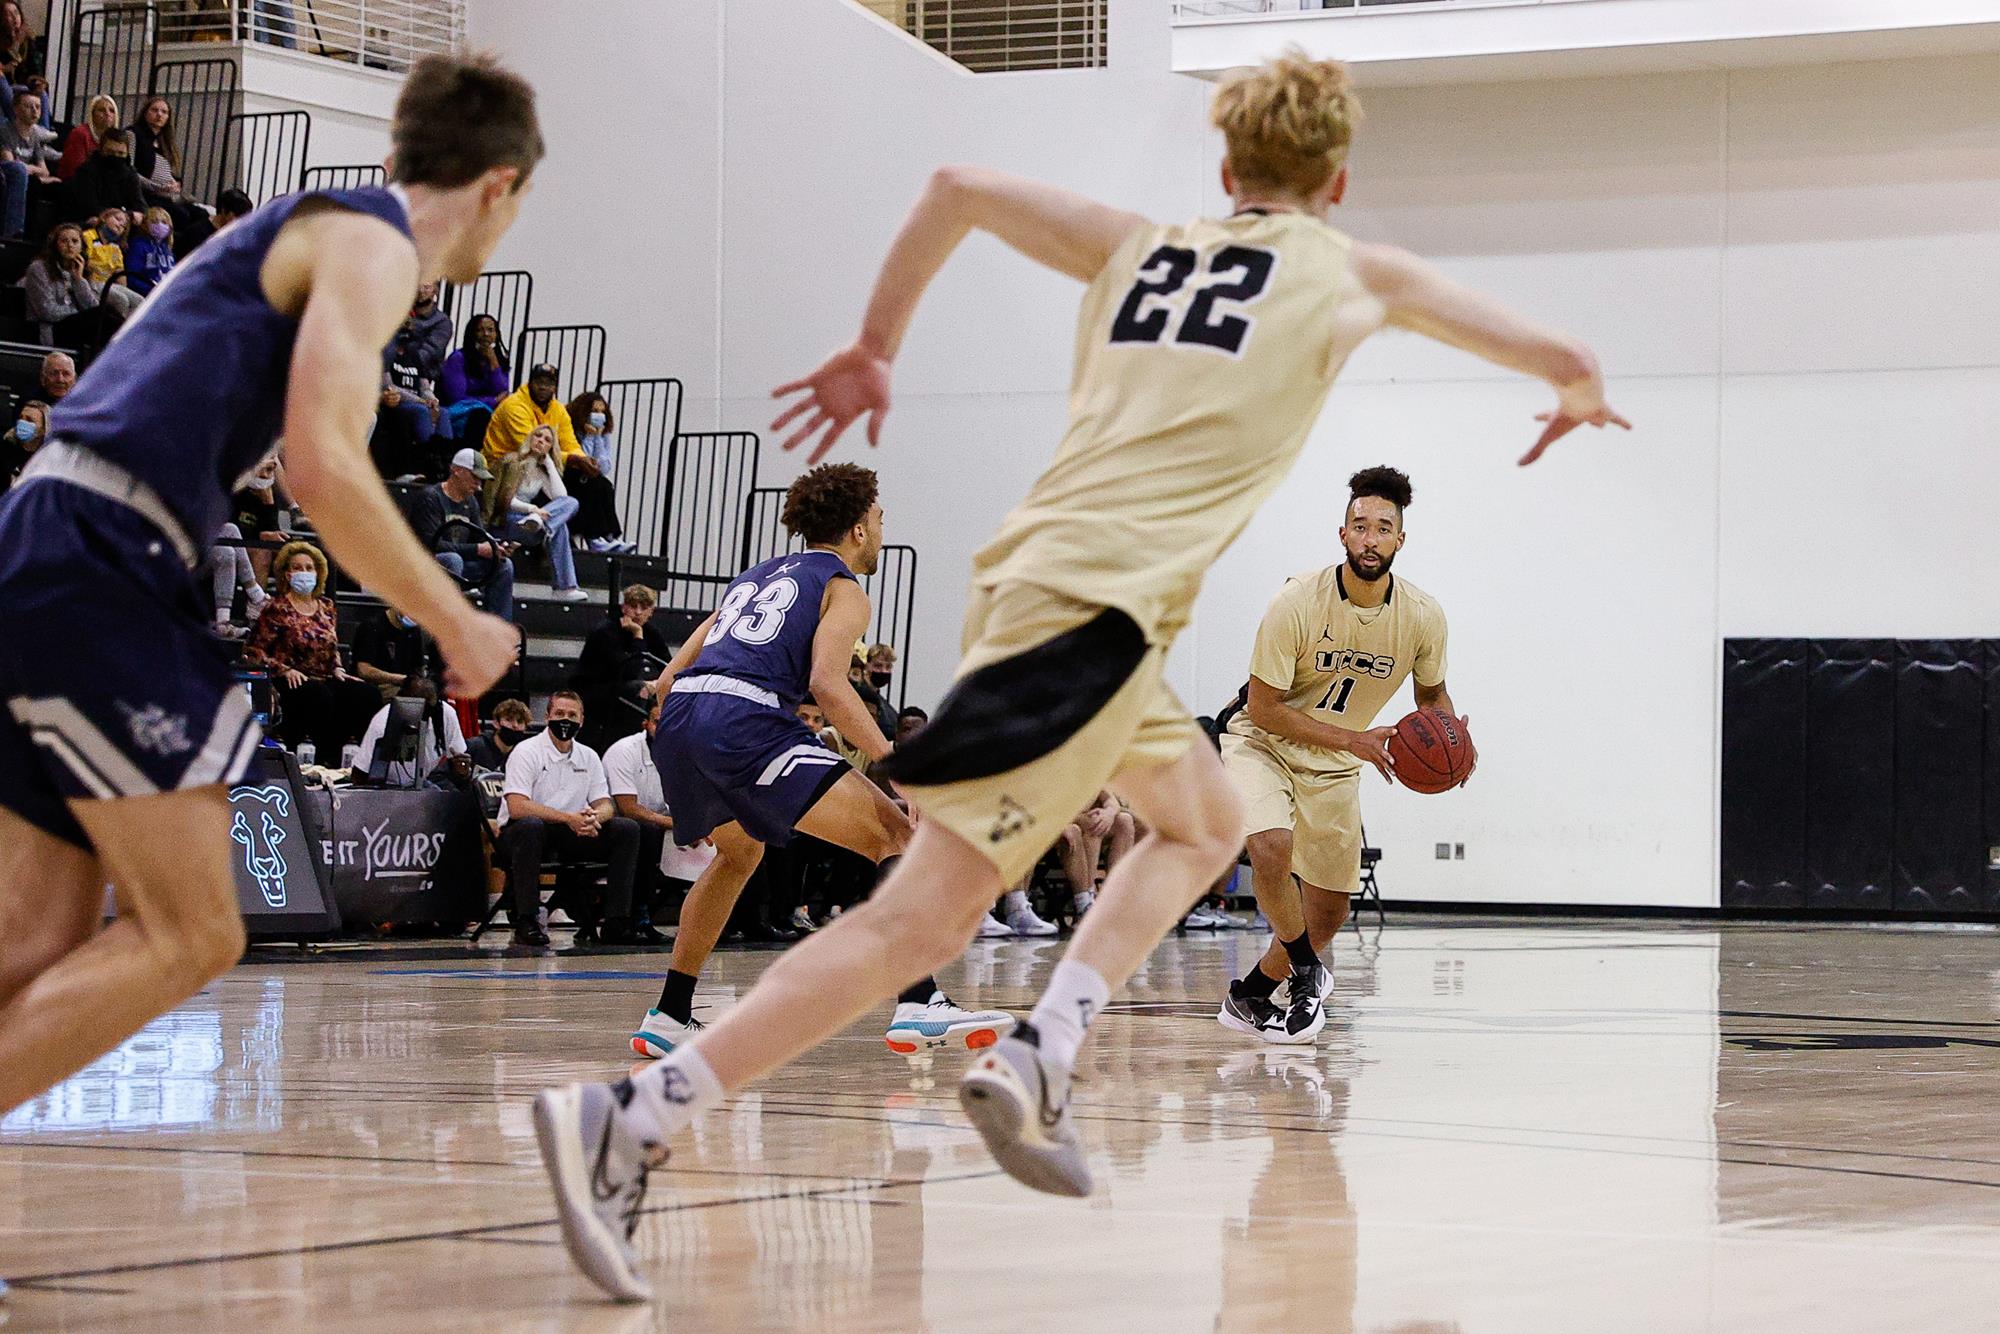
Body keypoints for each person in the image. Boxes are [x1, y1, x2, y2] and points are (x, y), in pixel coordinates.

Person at [533, 50, 1628, 1301]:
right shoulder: (1349, 273)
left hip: (1041, 594)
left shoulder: (1141, 243)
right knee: (930, 914)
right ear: (1335, 178)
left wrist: (873, 344)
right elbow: (1554, 345)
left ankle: (1006, 1056)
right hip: (1093, 619)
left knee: (1180, 826)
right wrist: (1576, 387)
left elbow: (952, 182)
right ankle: (681, 1106)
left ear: (1223, 173)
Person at [0, 54, 535, 1142]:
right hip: (106, 549)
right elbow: (322, 464)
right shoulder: (373, 238)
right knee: (193, 930)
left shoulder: (318, 224)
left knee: (34, 934)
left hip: (53, 533)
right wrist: (452, 613)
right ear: (499, 187)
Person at [622, 462, 1009, 1070]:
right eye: (880, 519)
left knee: (738, 854)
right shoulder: (845, 588)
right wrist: (891, 759)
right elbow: (827, 682)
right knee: (895, 834)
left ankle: (670, 1014)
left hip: (683, 717)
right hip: (741, 717)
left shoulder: (759, 574)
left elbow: (708, 628)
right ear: (858, 530)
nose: (882, 529)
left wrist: (669, 676)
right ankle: (919, 1000)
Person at [1216, 466, 1466, 1043]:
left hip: (1333, 761)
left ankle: (1250, 995)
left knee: (1327, 914)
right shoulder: (1297, 601)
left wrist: (1451, 735)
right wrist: (1357, 740)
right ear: (1343, 534)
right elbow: (1266, 706)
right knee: (1270, 845)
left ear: (1400, 539)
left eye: (1384, 528)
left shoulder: (1422, 615)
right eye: (1361, 526)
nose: (1371, 538)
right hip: (1264, 741)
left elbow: (1431, 695)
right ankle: (1308, 972)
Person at [496, 690, 642, 948]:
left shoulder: (588, 755)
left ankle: (617, 921)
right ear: (547, 716)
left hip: (572, 832)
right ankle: (526, 919)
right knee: (530, 827)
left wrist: (594, 818)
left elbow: (605, 803)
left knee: (626, 828)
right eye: (560, 714)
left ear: (582, 720)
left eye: (572, 715)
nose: (566, 720)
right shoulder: (526, 751)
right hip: (523, 833)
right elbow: (517, 806)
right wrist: (568, 818)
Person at [241, 539, 387, 759]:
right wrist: (284, 670)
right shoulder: (276, 608)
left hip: (324, 676)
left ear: (318, 572)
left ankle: (358, 761)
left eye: (309, 568)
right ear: (287, 574)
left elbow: (332, 646)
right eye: (297, 568)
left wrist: (338, 668)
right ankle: (322, 757)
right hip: (289, 679)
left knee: (367, 694)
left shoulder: (327, 606)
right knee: (319, 696)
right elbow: (254, 651)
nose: (304, 572)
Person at [602, 715, 694, 947]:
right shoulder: (624, 750)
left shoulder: (680, 754)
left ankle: (737, 920)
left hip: (660, 827)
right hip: (616, 831)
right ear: (646, 724)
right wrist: (678, 824)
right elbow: (628, 808)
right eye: (657, 721)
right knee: (644, 830)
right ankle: (637, 916)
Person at [408, 446, 518, 621]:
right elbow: (430, 544)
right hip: (423, 565)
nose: (479, 486)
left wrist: (495, 547)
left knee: (503, 566)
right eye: (475, 478)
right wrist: (477, 550)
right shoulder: (430, 497)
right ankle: (450, 623)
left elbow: (478, 537)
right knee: (453, 559)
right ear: (456, 471)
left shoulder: (471, 502)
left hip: (457, 566)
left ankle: (499, 628)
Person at [572, 582, 669, 752]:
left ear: (651, 611)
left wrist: (659, 684)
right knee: (637, 688)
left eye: (644, 607)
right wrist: (637, 636)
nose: (638, 612)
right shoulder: (605, 631)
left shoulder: (650, 630)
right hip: (594, 691)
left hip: (618, 688)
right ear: (624, 607)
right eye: (633, 606)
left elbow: (668, 663)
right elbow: (630, 671)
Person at [498, 423, 585, 600]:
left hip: (530, 525)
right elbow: (504, 499)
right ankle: (564, 587)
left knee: (571, 504)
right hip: (509, 520)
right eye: (538, 436)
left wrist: (550, 464)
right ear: (530, 438)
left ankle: (564, 589)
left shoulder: (541, 472)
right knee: (559, 527)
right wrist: (533, 510)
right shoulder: (513, 461)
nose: (541, 441)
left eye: (547, 440)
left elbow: (561, 497)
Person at [355, 674, 466, 787]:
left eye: (430, 702)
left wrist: (463, 772)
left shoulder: (444, 714)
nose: (424, 708)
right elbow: (360, 773)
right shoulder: (382, 723)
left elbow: (457, 764)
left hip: (424, 782)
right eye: (418, 702)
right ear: (402, 699)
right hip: (386, 786)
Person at [128, 96, 206, 241]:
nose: (159, 115)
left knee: (201, 214)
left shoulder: (164, 142)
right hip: (146, 194)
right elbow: (130, 169)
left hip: (168, 195)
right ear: (145, 112)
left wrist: (176, 183)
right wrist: (157, 187)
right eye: (154, 110)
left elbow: (171, 171)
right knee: (181, 215)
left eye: (164, 112)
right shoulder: (133, 134)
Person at [564, 387, 629, 551]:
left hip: (590, 476)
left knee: (606, 485)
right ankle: (594, 537)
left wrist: (598, 437)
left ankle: (609, 535)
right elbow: (584, 457)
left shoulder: (604, 434)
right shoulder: (572, 430)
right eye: (594, 411)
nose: (598, 415)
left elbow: (604, 466)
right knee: (594, 485)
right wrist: (589, 437)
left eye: (602, 411)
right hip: (570, 475)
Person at [482, 360, 579, 469]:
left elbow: (570, 444)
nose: (543, 387)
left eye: (548, 384)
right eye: (539, 382)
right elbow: (530, 448)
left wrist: (583, 460)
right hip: (500, 465)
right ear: (530, 384)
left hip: (535, 462)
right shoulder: (514, 405)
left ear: (555, 388)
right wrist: (571, 459)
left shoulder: (559, 410)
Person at [19, 221, 104, 347]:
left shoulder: (83, 270)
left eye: (75, 241)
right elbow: (47, 311)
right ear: (55, 245)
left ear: (82, 247)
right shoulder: (38, 268)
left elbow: (92, 307)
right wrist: (78, 313)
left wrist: (79, 280)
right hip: (51, 330)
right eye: (64, 241)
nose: (70, 245)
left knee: (106, 315)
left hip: (78, 328)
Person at [439, 311, 509, 444]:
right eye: (480, 330)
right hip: (461, 414)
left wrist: (493, 363)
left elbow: (503, 392)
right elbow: (457, 397)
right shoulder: (458, 358)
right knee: (480, 416)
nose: (486, 334)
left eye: (490, 330)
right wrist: (492, 401)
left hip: (490, 413)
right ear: (472, 334)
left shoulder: (499, 361)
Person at [62, 129, 148, 226]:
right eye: (110, 152)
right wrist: (127, 214)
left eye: (121, 153)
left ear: (127, 153)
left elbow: (141, 207)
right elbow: (89, 208)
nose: (115, 156)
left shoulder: (130, 173)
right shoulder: (86, 172)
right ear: (101, 150)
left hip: (123, 226)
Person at [351, 601, 430, 700]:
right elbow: (364, 670)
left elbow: (419, 668)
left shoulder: (414, 631)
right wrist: (400, 679)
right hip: (377, 685)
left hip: (405, 686)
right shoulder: (372, 626)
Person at [79, 206, 143, 319]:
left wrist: (122, 288)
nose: (120, 225)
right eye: (118, 219)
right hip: (91, 282)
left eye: (124, 226)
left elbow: (121, 277)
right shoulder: (87, 236)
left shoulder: (116, 248)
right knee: (121, 300)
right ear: (104, 218)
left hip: (109, 284)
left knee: (139, 301)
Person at [57, 95, 118, 181]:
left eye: (112, 111)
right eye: (101, 110)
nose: (108, 114)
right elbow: (75, 170)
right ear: (92, 114)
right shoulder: (80, 134)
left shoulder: (116, 139)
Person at [466, 696, 531, 772]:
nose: (515, 725)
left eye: (520, 721)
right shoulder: (474, 746)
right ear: (496, 723)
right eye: (509, 720)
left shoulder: (526, 754)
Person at [123, 206, 177, 295]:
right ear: (145, 225)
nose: (160, 225)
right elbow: (132, 277)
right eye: (154, 222)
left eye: (164, 222)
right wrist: (153, 291)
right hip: (148, 294)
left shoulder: (167, 249)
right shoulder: (138, 245)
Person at [0, 397, 43, 492]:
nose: (22, 423)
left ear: (43, 429)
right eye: (20, 418)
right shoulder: (4, 450)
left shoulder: (48, 458)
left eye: (29, 420)